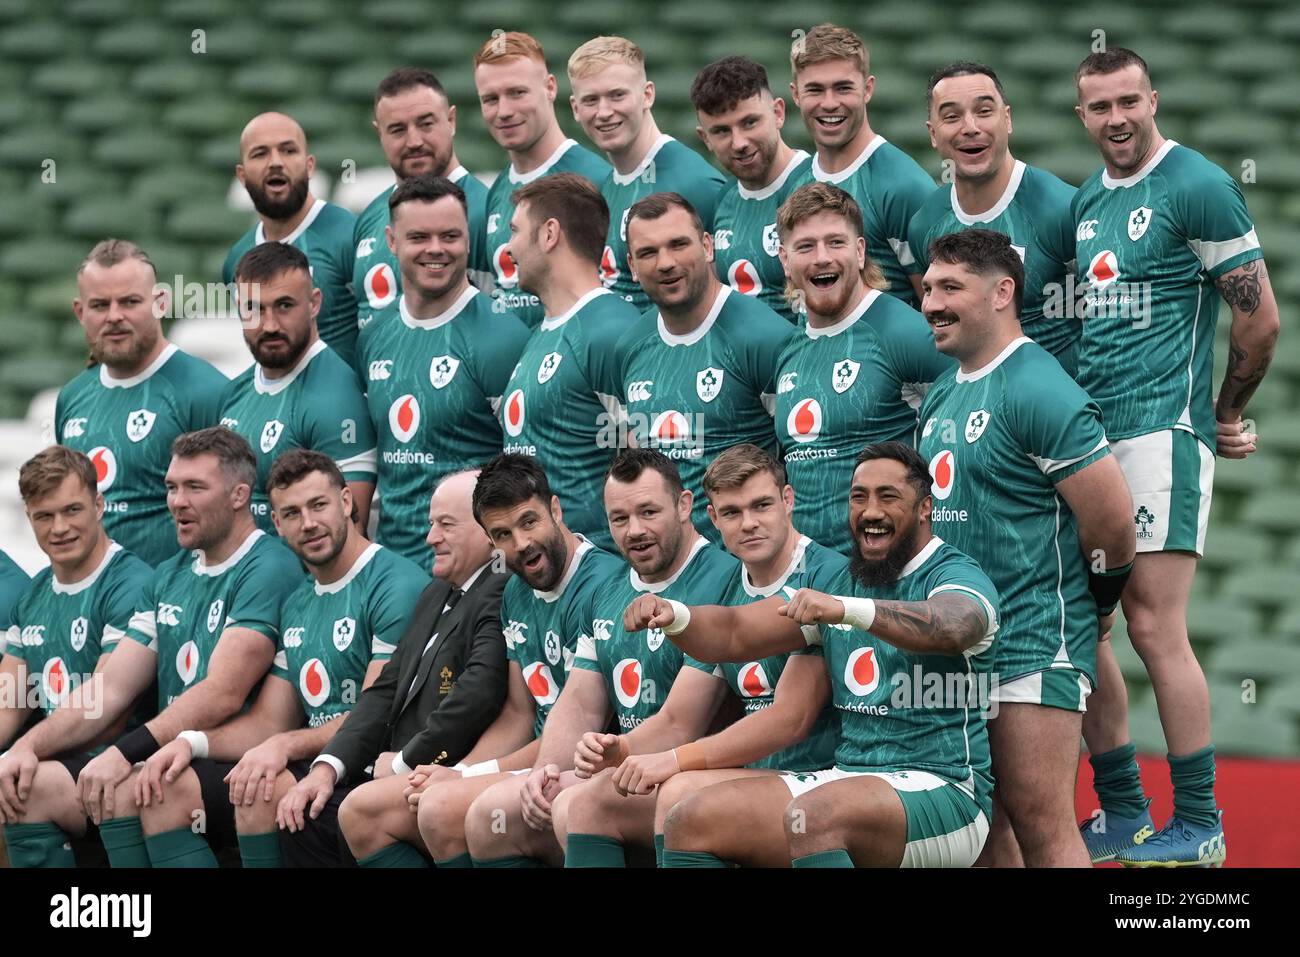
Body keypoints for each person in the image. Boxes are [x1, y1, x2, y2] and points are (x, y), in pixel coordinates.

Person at [1071, 48, 1279, 867]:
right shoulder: (1088, 199)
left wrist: (1223, 412)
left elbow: (1259, 323)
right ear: (1081, 115)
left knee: (1156, 627)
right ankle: (1124, 811)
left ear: (1153, 99)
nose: (1117, 117)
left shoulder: (1195, 182)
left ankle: (1199, 824)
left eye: (1129, 100)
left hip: (1162, 435)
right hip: (1091, 447)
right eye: (1100, 106)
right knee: (1084, 628)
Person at [632, 442, 1001, 867]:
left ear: (924, 508)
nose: (871, 511)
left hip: (945, 790)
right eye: (859, 497)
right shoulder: (840, 580)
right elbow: (735, 634)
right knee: (690, 817)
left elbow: (952, 626)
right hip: (849, 777)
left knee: (816, 815)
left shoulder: (953, 573)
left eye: (888, 497)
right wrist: (674, 614)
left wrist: (847, 610)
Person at [916, 229, 1136, 866]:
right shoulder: (944, 390)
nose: (931, 302)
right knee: (983, 833)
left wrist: (1100, 601)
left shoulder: (1039, 386)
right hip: (960, 651)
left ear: (1003, 292)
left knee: (1043, 826)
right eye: (928, 288)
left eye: (950, 287)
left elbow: (1113, 522)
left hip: (1032, 643)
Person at [0, 428, 304, 868]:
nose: (177, 501)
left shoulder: (268, 565)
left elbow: (223, 691)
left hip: (235, 754)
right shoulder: (170, 574)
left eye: (194, 487)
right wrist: (26, 748)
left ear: (240, 495)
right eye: (171, 487)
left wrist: (128, 751)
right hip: (170, 754)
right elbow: (111, 690)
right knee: (24, 787)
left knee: (140, 786)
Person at [125, 450, 429, 868]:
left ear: (345, 502)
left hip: (384, 765)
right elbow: (271, 721)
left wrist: (284, 745)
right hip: (322, 762)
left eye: (318, 505)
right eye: (291, 513)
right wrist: (189, 742)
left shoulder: (395, 583)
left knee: (265, 789)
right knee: (210, 786)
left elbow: (376, 713)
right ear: (278, 524)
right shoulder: (300, 600)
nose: (308, 523)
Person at [555, 444, 841, 867]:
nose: (748, 524)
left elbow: (789, 719)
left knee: (678, 793)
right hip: (752, 776)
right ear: (713, 517)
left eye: (761, 505)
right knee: (590, 801)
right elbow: (679, 719)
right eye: (731, 513)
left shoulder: (825, 575)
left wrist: (671, 763)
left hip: (821, 774)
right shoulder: (729, 584)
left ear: (788, 500)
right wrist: (621, 751)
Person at [459, 449, 736, 866]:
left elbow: (682, 723)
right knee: (491, 816)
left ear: (684, 505)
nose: (635, 531)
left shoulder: (723, 577)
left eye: (648, 512)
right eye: (619, 519)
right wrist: (546, 772)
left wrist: (606, 760)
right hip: (628, 769)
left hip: (695, 770)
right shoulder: (611, 589)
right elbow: (580, 703)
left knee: (578, 806)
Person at [361, 454, 620, 867]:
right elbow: (518, 714)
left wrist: (466, 776)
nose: (521, 543)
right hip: (532, 764)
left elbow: (584, 726)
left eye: (529, 522)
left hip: (579, 767)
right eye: (502, 533)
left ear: (555, 509)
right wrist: (463, 769)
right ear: (490, 540)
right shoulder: (515, 593)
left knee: (444, 808)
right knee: (361, 811)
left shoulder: (604, 584)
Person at [274, 470, 508, 867]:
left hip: (444, 771)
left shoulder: (500, 589)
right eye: (431, 524)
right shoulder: (436, 590)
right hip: (393, 768)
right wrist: (328, 767)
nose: (431, 538)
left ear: (488, 530)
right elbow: (384, 692)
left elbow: (476, 695)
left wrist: (404, 761)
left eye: (446, 525)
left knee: (341, 816)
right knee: (301, 814)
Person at [356, 175, 529, 565]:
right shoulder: (374, 336)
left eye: (450, 236)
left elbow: (525, 468)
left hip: (476, 575)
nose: (436, 249)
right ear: (391, 241)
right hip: (396, 565)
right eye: (419, 237)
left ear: (469, 239)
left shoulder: (502, 337)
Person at [774, 183, 952, 553]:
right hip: (812, 579)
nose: (822, 258)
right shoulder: (789, 348)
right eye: (806, 246)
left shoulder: (903, 332)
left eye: (835, 242)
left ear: (859, 252)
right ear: (785, 261)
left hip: (885, 574)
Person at [0, 449, 153, 868]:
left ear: (99, 505)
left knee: (17, 788)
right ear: (28, 517)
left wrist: (27, 748)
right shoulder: (32, 596)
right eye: (44, 516)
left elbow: (103, 711)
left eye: (72, 510)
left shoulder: (130, 582)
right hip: (61, 764)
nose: (60, 528)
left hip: (125, 766)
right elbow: (9, 702)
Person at [616, 192, 792, 539]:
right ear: (632, 267)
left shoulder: (763, 337)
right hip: (668, 566)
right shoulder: (629, 347)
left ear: (708, 246)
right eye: (648, 253)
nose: (665, 263)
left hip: (746, 565)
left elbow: (799, 460)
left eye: (678, 244)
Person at [57, 239, 227, 565]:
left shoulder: (205, 391)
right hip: (97, 603)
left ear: (160, 302)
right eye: (99, 305)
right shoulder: (72, 397)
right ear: (80, 311)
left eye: (130, 301)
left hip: (174, 603)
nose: (114, 316)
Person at [497, 173, 640, 550]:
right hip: (546, 572)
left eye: (514, 230)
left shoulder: (608, 330)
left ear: (549, 234)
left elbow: (649, 466)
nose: (507, 247)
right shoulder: (543, 333)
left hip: (598, 569)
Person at [907, 62, 1080, 373]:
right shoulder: (925, 225)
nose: (970, 127)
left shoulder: (1061, 210)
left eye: (984, 111)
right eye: (951, 116)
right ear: (933, 134)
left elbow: (1107, 325)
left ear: (1008, 119)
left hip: (1056, 409)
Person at [218, 242, 377, 535]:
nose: (269, 325)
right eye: (253, 308)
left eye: (284, 306)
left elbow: (347, 534)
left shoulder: (336, 398)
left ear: (314, 303)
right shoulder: (235, 392)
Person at [567, 35, 726, 310]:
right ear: (575, 108)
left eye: (617, 95)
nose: (604, 112)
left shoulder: (694, 182)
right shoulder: (606, 186)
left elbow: (721, 300)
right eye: (591, 100)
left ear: (647, 95)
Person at [475, 31, 611, 327]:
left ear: (550, 87)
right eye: (490, 99)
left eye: (517, 93)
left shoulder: (595, 179)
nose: (504, 111)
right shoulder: (498, 189)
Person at [792, 23, 934, 308]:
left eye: (843, 88)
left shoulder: (904, 187)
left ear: (867, 89)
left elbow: (939, 310)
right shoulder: (796, 182)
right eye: (815, 90)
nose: (829, 103)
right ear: (796, 95)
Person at [353, 68, 490, 332]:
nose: (414, 141)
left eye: (426, 124)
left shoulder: (487, 211)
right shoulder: (369, 218)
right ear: (379, 133)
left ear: (451, 121)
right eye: (397, 130)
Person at [223, 112, 359, 366]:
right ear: (241, 175)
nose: (275, 162)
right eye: (260, 153)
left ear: (309, 166)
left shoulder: (350, 236)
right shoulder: (236, 260)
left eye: (288, 150)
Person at [691, 56, 812, 322]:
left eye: (749, 123)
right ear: (705, 139)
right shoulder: (723, 199)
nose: (739, 143)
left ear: (778, 113)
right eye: (722, 131)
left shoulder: (818, 185)